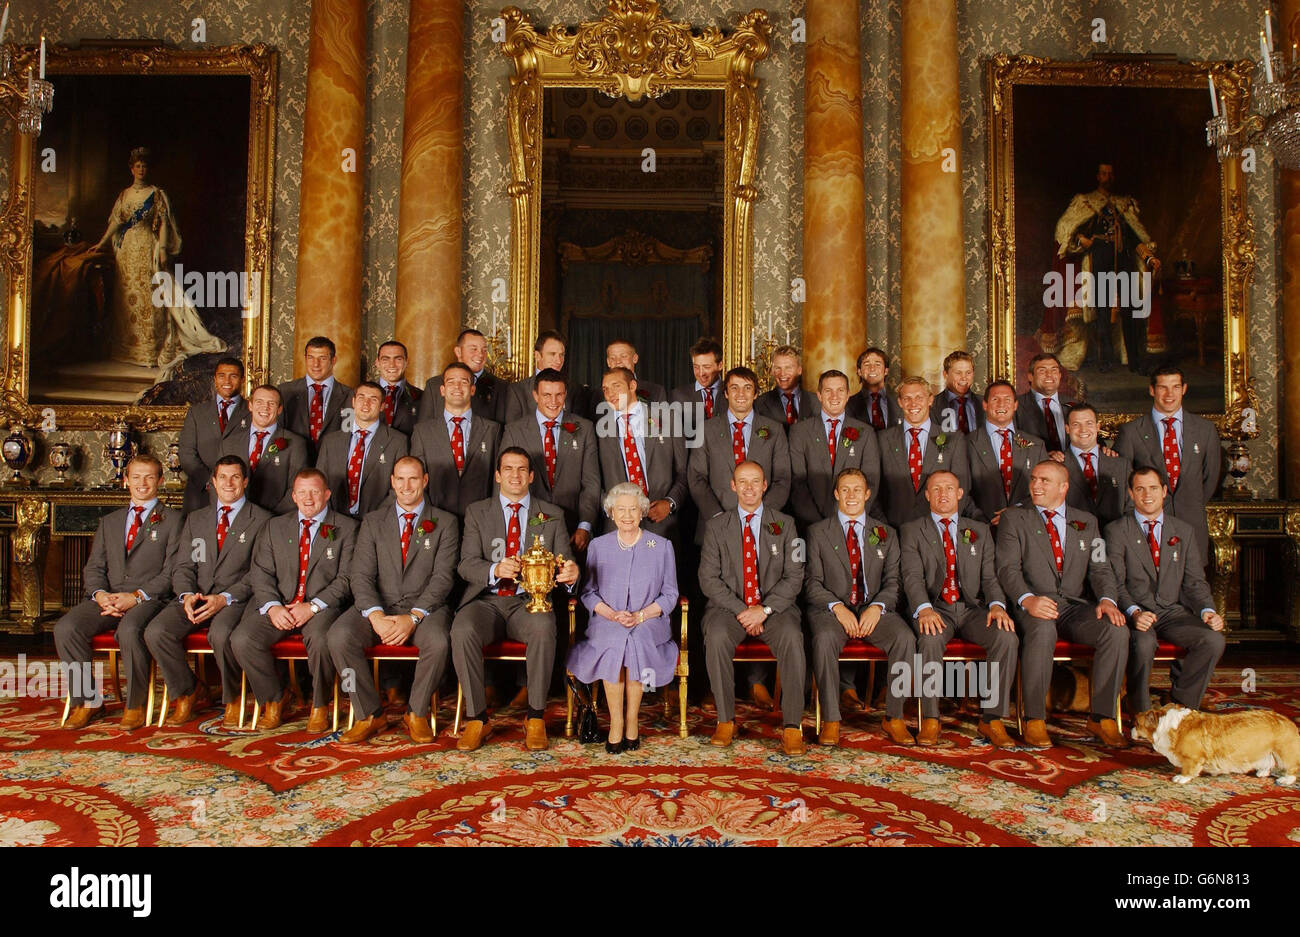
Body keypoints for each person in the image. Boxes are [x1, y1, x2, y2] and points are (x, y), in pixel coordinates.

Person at [451, 448, 580, 752]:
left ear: (531, 476)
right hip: (487, 601)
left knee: (543, 627)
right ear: (497, 475)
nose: (515, 475)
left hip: (529, 602)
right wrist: (494, 569)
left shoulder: (552, 514)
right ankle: (477, 718)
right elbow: (465, 564)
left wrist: (572, 573)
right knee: (461, 629)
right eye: (508, 469)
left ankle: (535, 717)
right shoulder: (477, 512)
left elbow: (565, 562)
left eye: (522, 469)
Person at [327, 456, 460, 744]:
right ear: (392, 482)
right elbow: (360, 575)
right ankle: (369, 713)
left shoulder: (446, 523)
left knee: (438, 642)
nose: (406, 485)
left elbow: (443, 578)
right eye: (400, 479)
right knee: (339, 637)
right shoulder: (373, 522)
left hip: (425, 608)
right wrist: (375, 615)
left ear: (425, 481)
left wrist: (413, 617)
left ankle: (417, 712)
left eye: (413, 478)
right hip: (379, 605)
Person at [995, 460, 1127, 749]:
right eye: (1033, 479)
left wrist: (1107, 600)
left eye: (1044, 481)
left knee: (1115, 630)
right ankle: (1034, 719)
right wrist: (1027, 600)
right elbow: (1007, 568)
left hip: (1073, 607)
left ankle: (1102, 716)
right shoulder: (1014, 519)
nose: (1035, 485)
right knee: (1042, 631)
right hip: (1033, 604)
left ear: (1063, 488)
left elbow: (1101, 568)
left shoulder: (1087, 522)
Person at [55, 455, 184, 729]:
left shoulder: (174, 520)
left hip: (148, 599)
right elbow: (94, 568)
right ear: (126, 481)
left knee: (129, 630)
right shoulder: (110, 522)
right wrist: (100, 595)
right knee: (66, 628)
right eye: (136, 477)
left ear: (160, 481)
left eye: (149, 477)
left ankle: (135, 704)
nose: (142, 483)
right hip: (108, 597)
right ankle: (87, 700)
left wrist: (135, 596)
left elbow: (172, 572)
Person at [144, 455, 271, 727]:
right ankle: (189, 690)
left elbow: (258, 574)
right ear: (213, 482)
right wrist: (187, 595)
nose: (229, 483)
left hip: (235, 600)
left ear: (245, 481)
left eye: (235, 477)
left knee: (222, 633)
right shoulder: (195, 520)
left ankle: (234, 697)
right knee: (156, 631)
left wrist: (224, 598)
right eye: (222, 477)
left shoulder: (262, 520)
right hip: (197, 597)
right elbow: (183, 566)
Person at [231, 468, 357, 733]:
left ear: (327, 494)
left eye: (314, 492)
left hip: (322, 607)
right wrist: (273, 606)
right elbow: (261, 572)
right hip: (280, 604)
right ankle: (275, 698)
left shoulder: (347, 528)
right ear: (293, 496)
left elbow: (346, 579)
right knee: (242, 639)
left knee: (322, 640)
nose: (308, 498)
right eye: (302, 492)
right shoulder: (275, 526)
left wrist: (312, 607)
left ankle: (320, 704)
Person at [900, 471, 1018, 748]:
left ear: (960, 493)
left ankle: (992, 719)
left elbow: (990, 577)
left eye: (949, 488)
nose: (943, 494)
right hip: (935, 606)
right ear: (927, 495)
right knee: (928, 638)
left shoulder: (979, 530)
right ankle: (930, 718)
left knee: (1006, 636)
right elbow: (912, 577)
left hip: (970, 607)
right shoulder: (912, 530)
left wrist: (998, 606)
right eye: (936, 489)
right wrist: (924, 609)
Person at [699, 461, 806, 756]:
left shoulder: (787, 524)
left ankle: (792, 726)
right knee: (717, 636)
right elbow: (708, 579)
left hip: (775, 609)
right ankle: (725, 719)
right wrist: (743, 611)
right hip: (729, 609)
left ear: (765, 485)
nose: (748, 488)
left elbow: (796, 575)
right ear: (732, 486)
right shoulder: (716, 527)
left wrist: (765, 609)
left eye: (754, 481)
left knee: (793, 638)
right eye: (742, 482)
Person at [93, 146, 227, 376]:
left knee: (150, 298)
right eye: (138, 166)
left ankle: (149, 351)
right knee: (125, 298)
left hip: (148, 248)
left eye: (145, 166)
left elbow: (164, 223)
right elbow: (116, 222)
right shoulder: (124, 195)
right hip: (126, 252)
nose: (141, 170)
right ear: (131, 169)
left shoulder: (156, 194)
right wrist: (103, 242)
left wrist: (163, 247)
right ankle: (128, 350)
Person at [568, 483, 680, 753]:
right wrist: (611, 614)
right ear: (611, 513)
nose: (627, 515)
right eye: (621, 509)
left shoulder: (661, 546)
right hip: (608, 620)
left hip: (649, 622)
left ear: (642, 512)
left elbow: (670, 595)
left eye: (633, 509)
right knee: (615, 642)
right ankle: (616, 723)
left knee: (635, 642)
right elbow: (588, 593)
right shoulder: (598, 546)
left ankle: (632, 721)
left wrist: (640, 615)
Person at [804, 468, 911, 746]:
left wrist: (877, 606)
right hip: (831, 610)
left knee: (905, 638)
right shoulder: (816, 532)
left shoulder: (886, 533)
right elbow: (811, 582)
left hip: (873, 607)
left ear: (867, 494)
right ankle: (831, 718)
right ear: (836, 494)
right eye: (845, 490)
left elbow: (893, 582)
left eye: (857, 490)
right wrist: (837, 607)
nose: (851, 495)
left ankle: (894, 717)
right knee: (825, 638)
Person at [1105, 466, 1225, 714]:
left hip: (1172, 612)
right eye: (1139, 489)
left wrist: (1207, 610)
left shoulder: (1183, 531)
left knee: (1212, 640)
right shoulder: (1116, 531)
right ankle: (1139, 709)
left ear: (1164, 491)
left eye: (1152, 488)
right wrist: (1135, 612)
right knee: (1144, 644)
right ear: (1130, 493)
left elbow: (1194, 581)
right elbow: (1115, 582)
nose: (1146, 495)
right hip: (1134, 613)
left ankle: (1181, 705)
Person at [1054, 162, 1161, 373]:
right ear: (1098, 176)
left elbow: (1133, 238)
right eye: (1104, 173)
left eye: (1111, 173)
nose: (1108, 177)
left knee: (1131, 312)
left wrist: (1149, 258)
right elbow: (1069, 230)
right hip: (1099, 260)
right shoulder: (1086, 202)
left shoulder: (1123, 205)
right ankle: (1106, 361)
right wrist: (1080, 238)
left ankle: (1135, 362)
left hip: (1124, 264)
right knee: (1101, 314)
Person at [1114, 366, 1221, 564]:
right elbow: (1123, 481)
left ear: (1184, 389)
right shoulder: (1131, 432)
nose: (1169, 394)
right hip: (1147, 527)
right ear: (1152, 390)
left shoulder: (1205, 430)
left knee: (1192, 589)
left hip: (1192, 524)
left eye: (1175, 387)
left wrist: (1189, 503)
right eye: (1163, 387)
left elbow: (1210, 477)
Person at [500, 368, 600, 553]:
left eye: (559, 395)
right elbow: (503, 484)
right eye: (546, 395)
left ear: (565, 395)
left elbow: (591, 483)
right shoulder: (515, 430)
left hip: (572, 528)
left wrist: (584, 526)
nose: (553, 402)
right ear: (535, 396)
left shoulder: (584, 428)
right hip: (526, 525)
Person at [594, 366, 686, 540]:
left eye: (616, 386)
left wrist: (670, 503)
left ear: (632, 386)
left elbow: (683, 472)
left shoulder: (667, 419)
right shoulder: (599, 430)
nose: (610, 393)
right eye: (605, 389)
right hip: (617, 527)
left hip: (661, 523)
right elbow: (593, 481)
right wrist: (612, 508)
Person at [689, 366, 792, 521]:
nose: (741, 394)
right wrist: (717, 515)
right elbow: (696, 478)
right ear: (725, 393)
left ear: (756, 393)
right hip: (716, 522)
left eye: (748, 388)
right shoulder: (706, 430)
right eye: (734, 388)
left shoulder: (775, 430)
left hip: (762, 524)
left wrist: (759, 514)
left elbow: (782, 479)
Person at [788, 369, 881, 530]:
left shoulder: (865, 433)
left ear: (848, 395)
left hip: (853, 524)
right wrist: (819, 524)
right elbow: (797, 483)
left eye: (840, 391)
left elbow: (871, 481)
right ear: (819, 395)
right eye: (828, 391)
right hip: (810, 525)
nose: (834, 396)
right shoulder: (800, 432)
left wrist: (850, 517)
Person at [876, 376, 972, 529]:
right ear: (900, 402)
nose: (913, 404)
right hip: (894, 529)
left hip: (938, 530)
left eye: (919, 397)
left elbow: (962, 490)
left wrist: (945, 527)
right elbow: (875, 490)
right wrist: (884, 527)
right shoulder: (883, 439)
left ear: (930, 400)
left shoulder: (954, 440)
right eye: (907, 398)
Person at [409, 362, 501, 518]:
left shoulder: (492, 430)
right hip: (436, 520)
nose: (457, 387)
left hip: (481, 518)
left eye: (464, 382)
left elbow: (498, 480)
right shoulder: (422, 432)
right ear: (442, 390)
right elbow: (417, 478)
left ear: (472, 390)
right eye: (451, 382)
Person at [315, 381, 409, 518]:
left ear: (382, 406)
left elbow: (399, 488)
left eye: (373, 399)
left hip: (377, 522)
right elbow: (319, 483)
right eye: (361, 398)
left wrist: (375, 518)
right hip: (334, 520)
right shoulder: (331, 441)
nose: (366, 403)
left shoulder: (397, 441)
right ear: (353, 402)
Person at [965, 379, 1045, 525]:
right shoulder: (967, 444)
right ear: (985, 405)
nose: (1001, 404)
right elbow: (961, 490)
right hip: (982, 528)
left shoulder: (1036, 445)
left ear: (1015, 405)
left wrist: (1017, 512)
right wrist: (980, 519)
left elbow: (1046, 489)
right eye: (995, 399)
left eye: (1007, 399)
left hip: (1025, 527)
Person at [220, 384, 308, 515]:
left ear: (279, 409)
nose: (265, 408)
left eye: (271, 403)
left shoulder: (296, 444)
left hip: (275, 520)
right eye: (259, 402)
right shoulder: (229, 443)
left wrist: (271, 519)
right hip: (234, 519)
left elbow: (299, 489)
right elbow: (215, 483)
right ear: (250, 406)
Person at [178, 357, 248, 514]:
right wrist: (210, 481)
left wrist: (231, 481)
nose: (227, 381)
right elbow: (186, 453)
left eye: (233, 376)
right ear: (215, 379)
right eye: (222, 375)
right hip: (200, 492)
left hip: (238, 492)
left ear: (242, 379)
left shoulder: (252, 412)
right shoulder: (196, 413)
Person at [278, 336, 355, 462]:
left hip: (333, 465)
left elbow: (348, 434)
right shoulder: (285, 392)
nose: (316, 364)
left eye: (322, 358)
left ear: (333, 360)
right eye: (311, 358)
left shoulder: (350, 395)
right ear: (305, 359)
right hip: (293, 464)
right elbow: (278, 432)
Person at [1059, 403, 1131, 527]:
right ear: (1067, 429)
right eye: (1076, 424)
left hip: (1115, 540)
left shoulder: (1121, 465)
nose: (1083, 429)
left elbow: (1131, 508)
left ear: (1098, 426)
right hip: (1073, 541)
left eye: (1089, 423)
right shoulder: (1057, 466)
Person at [417, 328, 504, 422]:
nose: (480, 355)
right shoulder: (434, 385)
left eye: (484, 350)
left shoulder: (500, 387)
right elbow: (424, 429)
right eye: (474, 349)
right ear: (458, 352)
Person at [503, 330, 567, 424]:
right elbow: (513, 433)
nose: (558, 361)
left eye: (561, 355)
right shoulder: (517, 391)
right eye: (552, 354)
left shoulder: (575, 390)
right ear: (537, 356)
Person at [1014, 353, 1069, 453]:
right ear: (1030, 376)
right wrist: (1044, 456)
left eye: (1054, 370)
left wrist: (1103, 449)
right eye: (1042, 370)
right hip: (1032, 467)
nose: (1049, 375)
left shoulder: (1074, 405)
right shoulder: (1016, 406)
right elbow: (1012, 444)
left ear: (1060, 375)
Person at [754, 345, 819, 428]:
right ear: (772, 371)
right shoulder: (759, 404)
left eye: (788, 368)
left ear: (799, 370)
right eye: (778, 368)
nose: (782, 373)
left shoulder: (817, 403)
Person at [373, 340, 422, 436]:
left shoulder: (422, 397)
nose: (392, 365)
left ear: (406, 362)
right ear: (377, 363)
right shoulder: (359, 395)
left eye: (398, 359)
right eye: (385, 359)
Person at [669, 336, 725, 419]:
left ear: (720, 365)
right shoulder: (678, 395)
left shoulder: (733, 394)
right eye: (696, 367)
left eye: (706, 367)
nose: (701, 373)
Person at [928, 350, 983, 434]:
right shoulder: (932, 405)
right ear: (945, 374)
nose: (964, 378)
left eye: (968, 372)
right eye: (958, 373)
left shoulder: (985, 404)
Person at [845, 347, 899, 431]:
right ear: (859, 371)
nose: (872, 368)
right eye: (866, 364)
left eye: (877, 364)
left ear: (886, 371)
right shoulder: (847, 405)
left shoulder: (900, 404)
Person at [603, 339, 667, 406]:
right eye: (613, 358)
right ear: (608, 362)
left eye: (623, 356)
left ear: (635, 358)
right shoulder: (596, 395)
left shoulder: (656, 390)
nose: (618, 361)